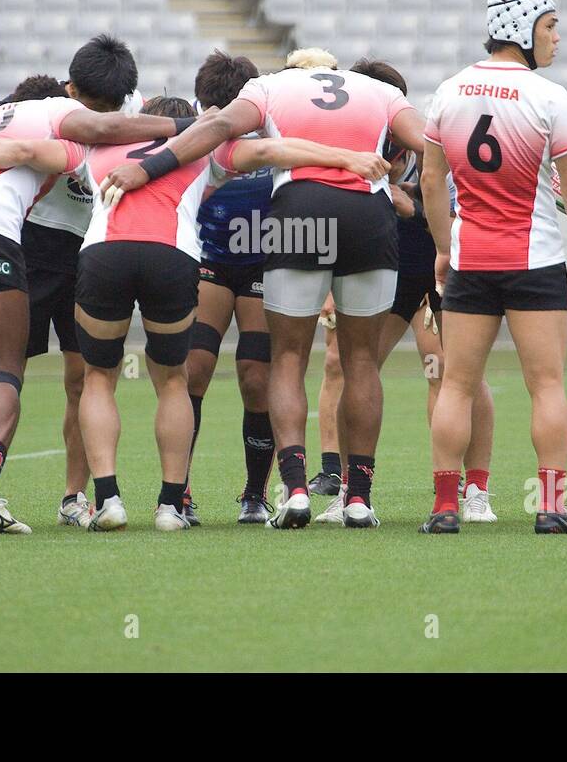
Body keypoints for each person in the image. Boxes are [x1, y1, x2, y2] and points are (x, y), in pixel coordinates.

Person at [0, 100, 391, 531]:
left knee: (98, 378)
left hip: (103, 257)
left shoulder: (92, 151)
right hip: (171, 257)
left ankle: (108, 499)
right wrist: (345, 157)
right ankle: (168, 505)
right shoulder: (200, 150)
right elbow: (268, 154)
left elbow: (22, 153)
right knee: (174, 381)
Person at [98, 48, 425, 529]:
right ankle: (358, 498)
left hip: (299, 212)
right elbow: (433, 141)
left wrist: (147, 167)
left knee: (288, 358)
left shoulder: (269, 86)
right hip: (367, 215)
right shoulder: (380, 90)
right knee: (360, 361)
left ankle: (293, 491)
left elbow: (216, 129)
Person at [417, 0, 567, 535]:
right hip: (536, 259)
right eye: (549, 26)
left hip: (471, 259)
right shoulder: (548, 97)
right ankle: (551, 508)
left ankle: (445, 508)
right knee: (545, 385)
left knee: (455, 385)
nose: (558, 37)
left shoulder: (448, 91)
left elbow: (431, 179)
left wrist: (443, 248)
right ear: (520, 29)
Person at [310, 59, 497, 526]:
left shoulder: (422, 134)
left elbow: (453, 193)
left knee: (458, 372)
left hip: (433, 250)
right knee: (357, 364)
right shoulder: (343, 136)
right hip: (379, 254)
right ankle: (355, 492)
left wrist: (420, 214)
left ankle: (475, 490)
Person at [0, 70, 141, 530]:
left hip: (90, 252)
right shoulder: (43, 104)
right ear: (73, 92)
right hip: (32, 246)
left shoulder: (132, 106)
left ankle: (73, 497)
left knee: (85, 377)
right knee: (3, 371)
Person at [178, 52, 278, 526]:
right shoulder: (189, 139)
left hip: (264, 266)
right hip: (209, 263)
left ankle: (256, 493)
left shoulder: (274, 137)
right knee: (193, 372)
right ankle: (180, 490)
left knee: (256, 380)